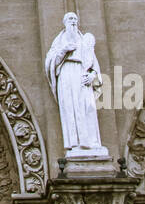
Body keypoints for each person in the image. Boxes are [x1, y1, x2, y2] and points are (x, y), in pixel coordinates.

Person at [43, 12, 104, 154]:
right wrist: (64, 50)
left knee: (87, 105)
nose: (73, 21)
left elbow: (94, 62)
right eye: (70, 19)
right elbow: (50, 62)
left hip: (82, 74)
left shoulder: (84, 40)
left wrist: (92, 75)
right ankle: (76, 143)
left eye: (75, 19)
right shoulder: (60, 41)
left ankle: (91, 141)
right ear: (64, 22)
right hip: (67, 73)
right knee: (70, 107)